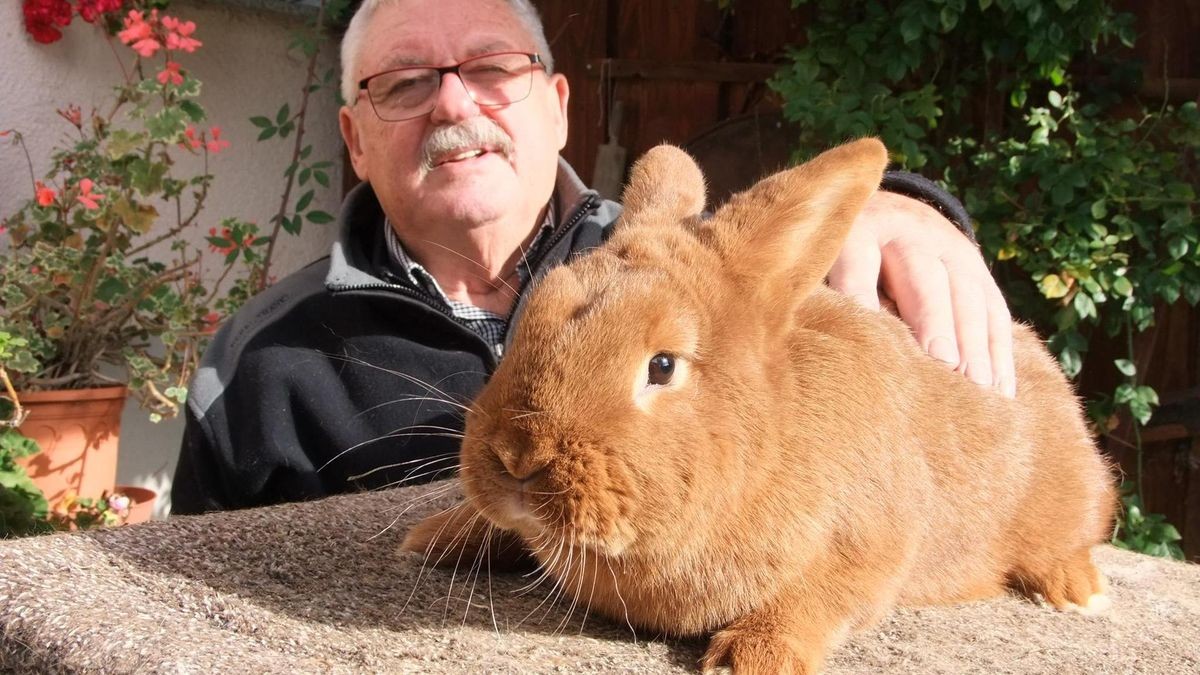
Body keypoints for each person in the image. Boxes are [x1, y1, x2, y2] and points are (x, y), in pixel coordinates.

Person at [170, 0, 1015, 515]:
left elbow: (784, 263)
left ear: (559, 108)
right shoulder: (258, 363)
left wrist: (909, 206)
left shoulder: (673, 264)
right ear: (354, 140)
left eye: (494, 67)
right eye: (403, 83)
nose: (454, 101)